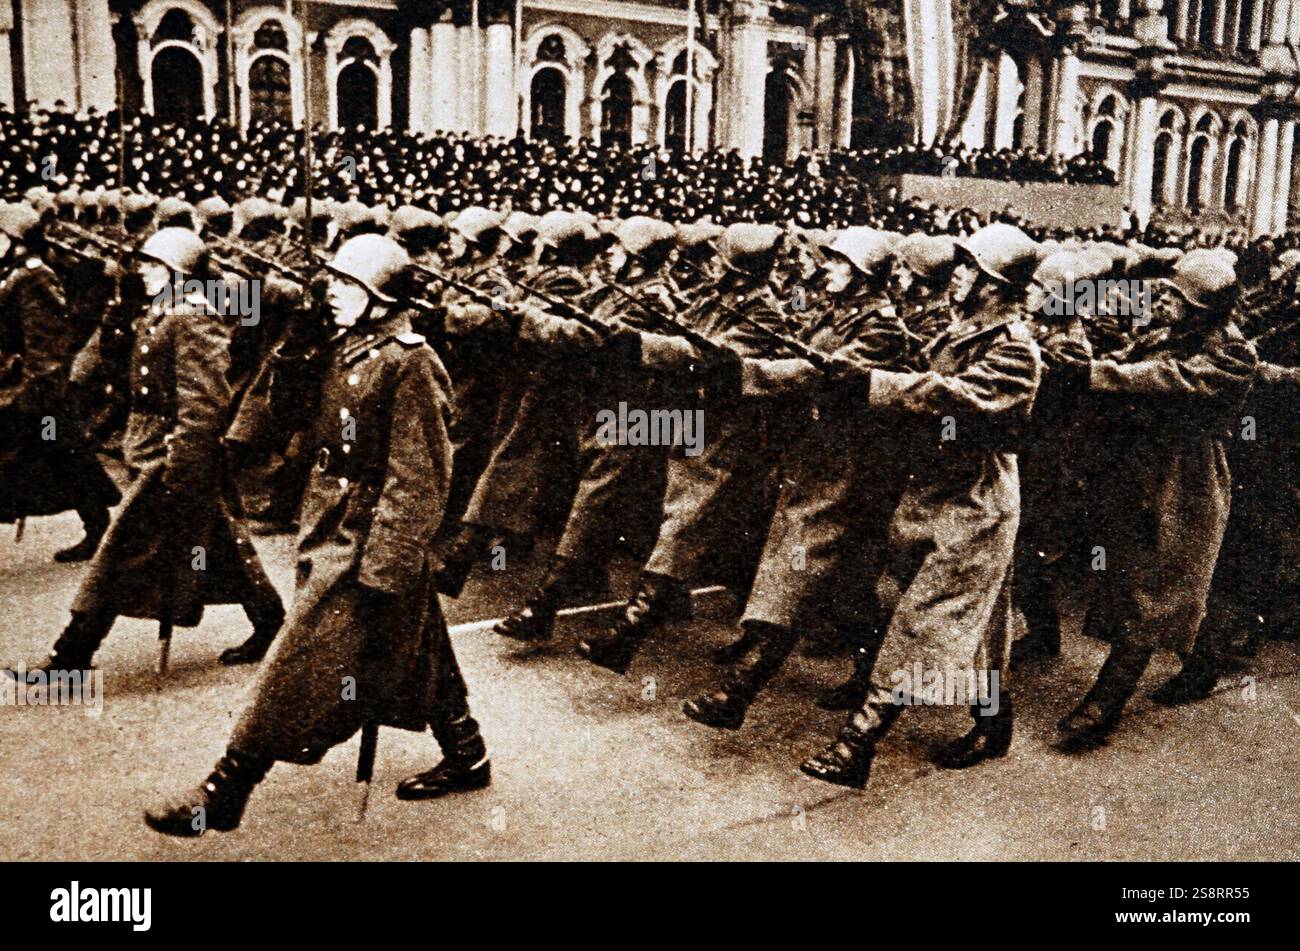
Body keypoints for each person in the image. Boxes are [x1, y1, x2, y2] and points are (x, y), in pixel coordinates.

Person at [145, 234, 490, 837]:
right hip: (328, 522)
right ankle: (468, 754)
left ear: (381, 298)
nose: (332, 292)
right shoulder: (341, 345)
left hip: (366, 536)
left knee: (297, 659)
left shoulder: (410, 361)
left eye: (348, 286)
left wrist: (385, 565)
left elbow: (421, 478)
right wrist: (293, 355)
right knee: (420, 641)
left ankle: (225, 788)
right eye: (332, 281)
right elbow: (286, 420)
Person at [800, 223, 1044, 788]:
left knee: (924, 620)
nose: (954, 276)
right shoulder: (960, 333)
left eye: (967, 268)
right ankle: (994, 720)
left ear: (994, 283)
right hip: (933, 489)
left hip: (976, 501)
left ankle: (857, 743)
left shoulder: (1015, 351)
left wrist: (875, 386)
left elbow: (953, 396)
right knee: (978, 621)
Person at [12, 227, 285, 676]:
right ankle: (271, 618)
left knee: (120, 552)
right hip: (154, 444)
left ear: (180, 272)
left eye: (155, 266)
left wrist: (184, 463)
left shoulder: (192, 316)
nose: (143, 272)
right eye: (144, 264)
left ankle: (72, 652)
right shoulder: (161, 310)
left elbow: (203, 402)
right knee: (223, 542)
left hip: (175, 452)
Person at [1053, 249, 1257, 750]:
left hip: (1186, 476)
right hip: (1134, 465)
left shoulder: (1232, 353)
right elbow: (1130, 363)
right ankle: (1203, 660)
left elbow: (1172, 381)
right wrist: (1088, 361)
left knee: (1163, 585)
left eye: (1175, 296)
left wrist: (1094, 374)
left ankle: (1104, 701)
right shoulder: (1163, 333)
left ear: (1201, 309)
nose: (1162, 299)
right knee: (1149, 580)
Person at [0, 200, 120, 561]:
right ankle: (98, 524)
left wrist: (36, 397)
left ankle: (98, 526)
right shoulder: (13, 271)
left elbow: (47, 343)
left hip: (39, 393)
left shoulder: (34, 275)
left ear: (15, 237)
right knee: (62, 457)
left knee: (67, 456)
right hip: (22, 387)